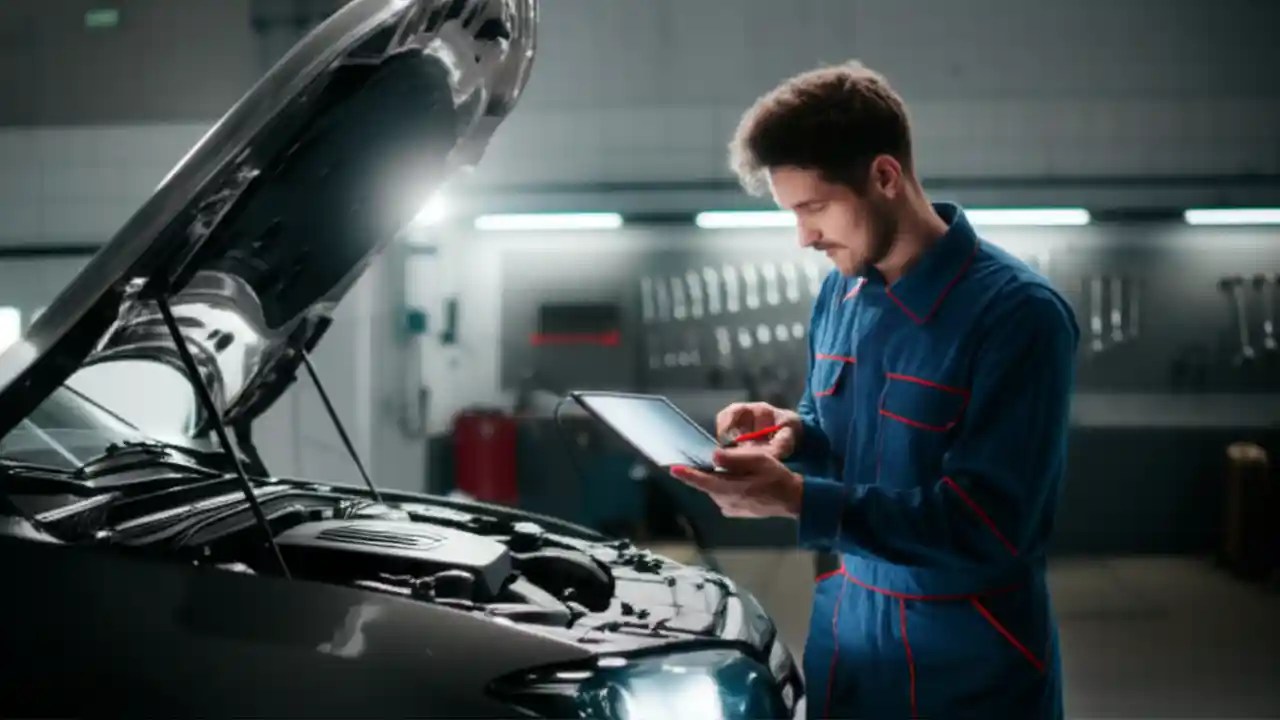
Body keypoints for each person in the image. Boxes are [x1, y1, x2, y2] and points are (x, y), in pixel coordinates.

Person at [670, 61, 1079, 719]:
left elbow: (991, 526)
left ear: (885, 176)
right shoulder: (841, 293)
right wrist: (790, 432)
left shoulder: (1017, 315)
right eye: (792, 213)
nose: (804, 237)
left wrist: (799, 499)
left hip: (968, 654)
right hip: (851, 632)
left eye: (814, 208)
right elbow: (832, 424)